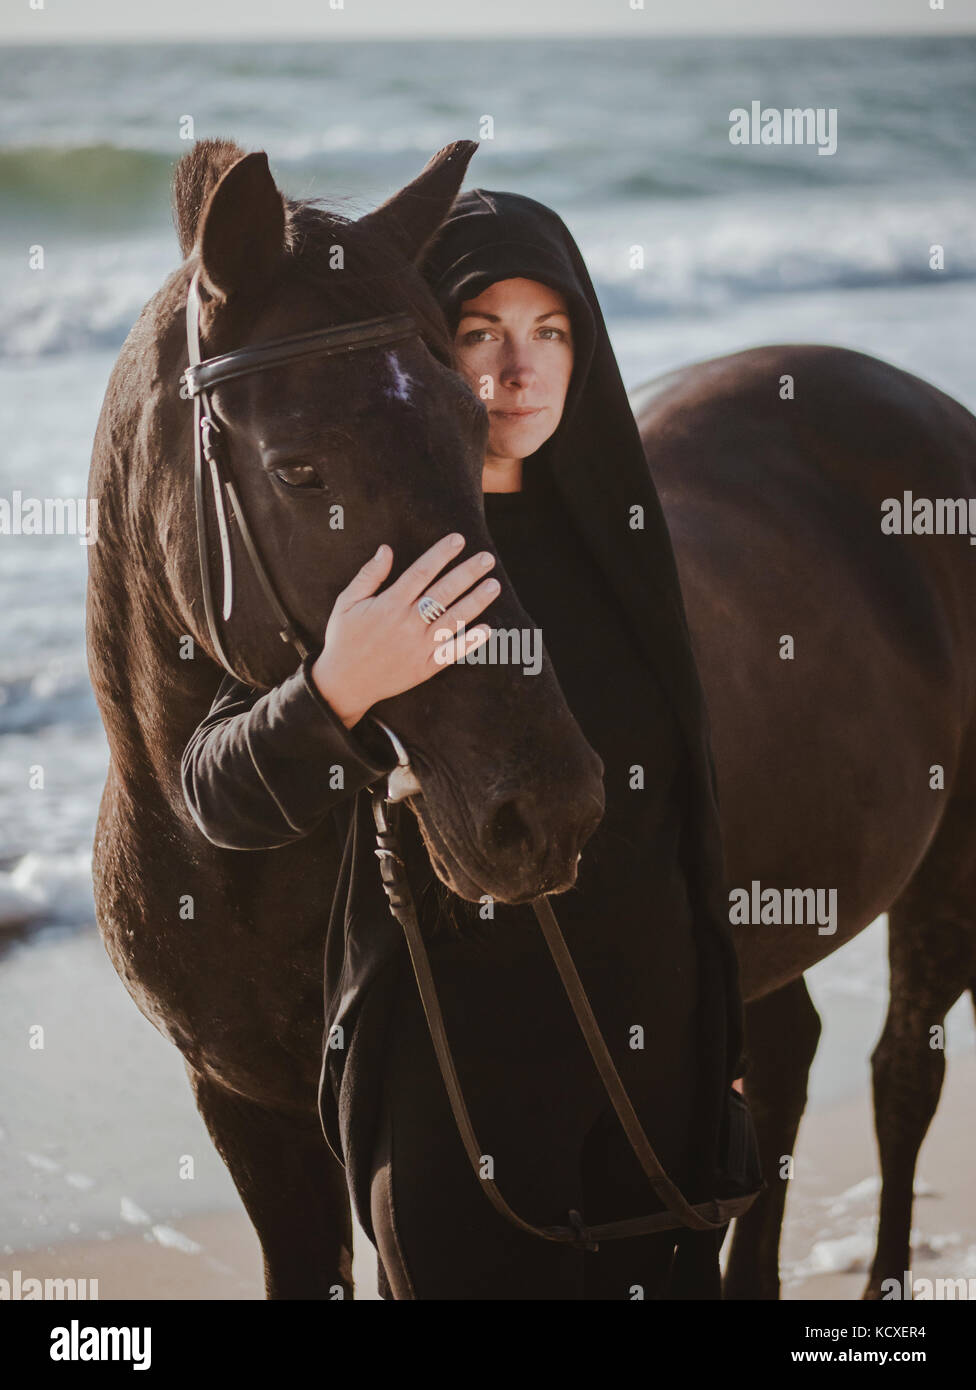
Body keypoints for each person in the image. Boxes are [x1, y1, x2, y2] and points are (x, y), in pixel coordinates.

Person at [182, 188, 757, 1300]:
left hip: (657, 1058)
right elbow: (215, 793)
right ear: (422, 357)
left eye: (551, 332)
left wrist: (721, 1040)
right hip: (453, 1069)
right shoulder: (354, 552)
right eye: (477, 332)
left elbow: (690, 819)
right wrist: (333, 688)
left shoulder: (617, 540)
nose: (517, 369)